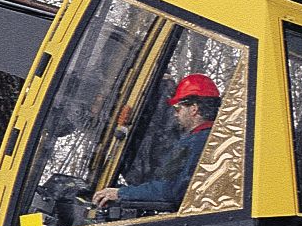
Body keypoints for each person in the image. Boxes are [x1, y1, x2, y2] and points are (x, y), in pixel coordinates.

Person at [93, 74, 220, 216]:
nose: (175, 115)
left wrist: (121, 193)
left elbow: (168, 191)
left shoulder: (192, 143)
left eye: (178, 108)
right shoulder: (216, 140)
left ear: (194, 109)